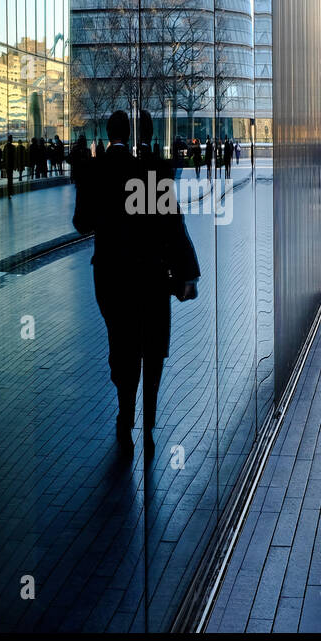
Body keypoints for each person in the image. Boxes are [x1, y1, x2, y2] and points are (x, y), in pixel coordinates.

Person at [73, 110, 200, 455]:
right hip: (151, 277)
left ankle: (125, 416)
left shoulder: (95, 171)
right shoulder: (149, 171)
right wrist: (187, 272)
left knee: (123, 346)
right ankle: (148, 422)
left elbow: (82, 223)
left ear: (108, 133)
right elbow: (173, 225)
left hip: (112, 278)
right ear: (130, 136)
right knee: (153, 349)